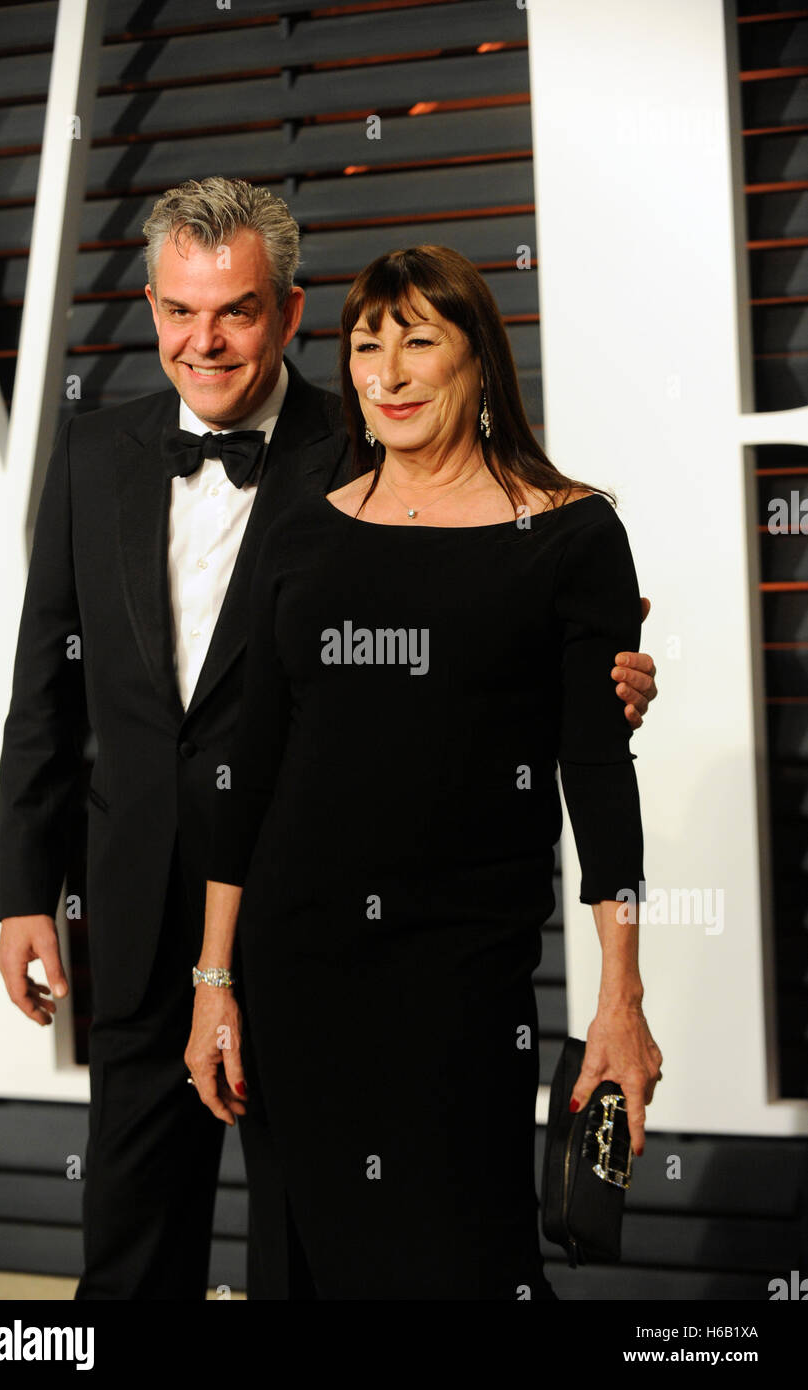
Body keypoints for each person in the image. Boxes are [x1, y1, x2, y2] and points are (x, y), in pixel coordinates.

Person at [0, 177, 657, 1300]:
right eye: (178, 310)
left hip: (402, 933)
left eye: (238, 311)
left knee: (367, 1246)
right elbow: (45, 693)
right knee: (134, 1239)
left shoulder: (354, 455)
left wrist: (588, 691)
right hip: (163, 904)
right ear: (151, 306)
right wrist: (26, 890)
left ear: (288, 314)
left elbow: (510, 671)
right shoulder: (99, 451)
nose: (203, 341)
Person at [188, 244, 663, 1300]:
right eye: (365, 345)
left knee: (468, 1261)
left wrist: (621, 998)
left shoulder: (572, 532)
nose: (387, 373)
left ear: (479, 363)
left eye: (417, 341)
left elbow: (598, 773)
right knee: (311, 1264)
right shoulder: (303, 525)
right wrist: (213, 981)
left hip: (462, 969)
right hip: (295, 963)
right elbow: (249, 767)